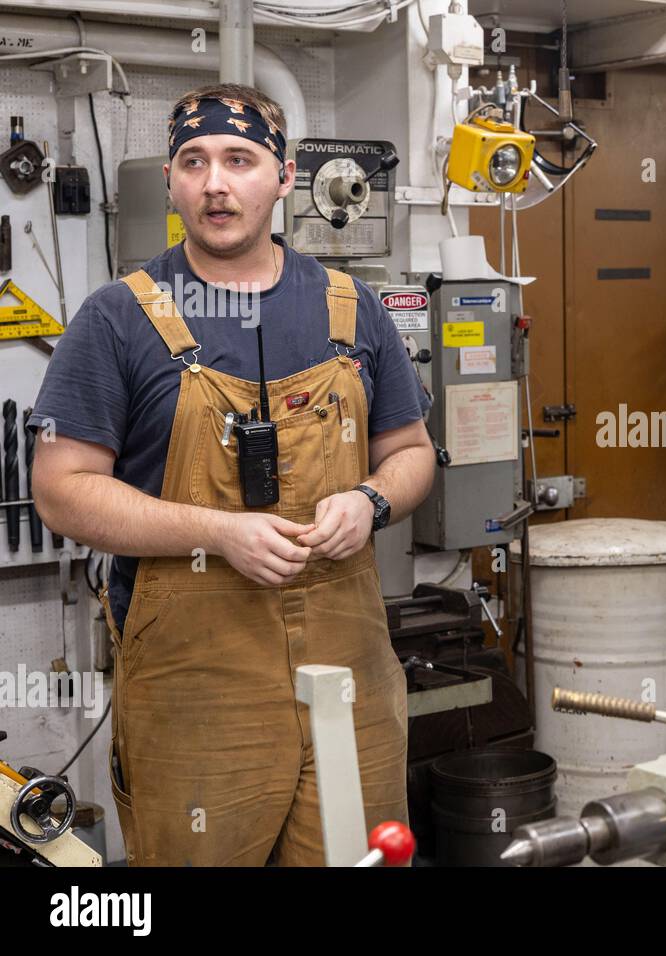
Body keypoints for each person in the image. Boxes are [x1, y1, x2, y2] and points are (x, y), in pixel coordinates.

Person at [30, 83, 435, 865]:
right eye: (194, 161)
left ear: (284, 179)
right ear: (171, 183)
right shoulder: (119, 317)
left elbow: (412, 452)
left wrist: (372, 499)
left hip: (347, 665)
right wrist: (216, 530)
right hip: (197, 681)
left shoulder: (353, 308)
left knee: (359, 855)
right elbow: (61, 488)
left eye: (241, 159)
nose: (216, 182)